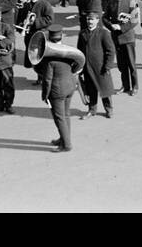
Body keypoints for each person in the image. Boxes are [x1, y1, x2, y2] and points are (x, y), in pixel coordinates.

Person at [38, 23, 81, 151]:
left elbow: (47, 79)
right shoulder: (70, 51)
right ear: (61, 36)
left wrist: (45, 95)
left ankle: (66, 145)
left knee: (59, 117)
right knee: (66, 115)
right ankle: (64, 138)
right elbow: (77, 67)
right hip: (70, 87)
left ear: (49, 39)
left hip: (57, 91)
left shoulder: (49, 58)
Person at [77, 12, 116, 118]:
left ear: (97, 20)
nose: (90, 21)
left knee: (105, 90)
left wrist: (107, 66)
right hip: (87, 67)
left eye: (92, 19)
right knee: (90, 90)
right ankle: (92, 110)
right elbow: (79, 52)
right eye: (88, 19)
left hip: (101, 67)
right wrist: (79, 67)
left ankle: (109, 110)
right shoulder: (82, 33)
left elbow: (110, 50)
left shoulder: (103, 33)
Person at [105, 0, 139, 96]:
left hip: (128, 38)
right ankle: (125, 85)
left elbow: (135, 20)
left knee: (131, 63)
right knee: (121, 64)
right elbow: (104, 18)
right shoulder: (110, 3)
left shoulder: (131, 2)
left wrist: (122, 28)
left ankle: (135, 86)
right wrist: (111, 26)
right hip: (116, 38)